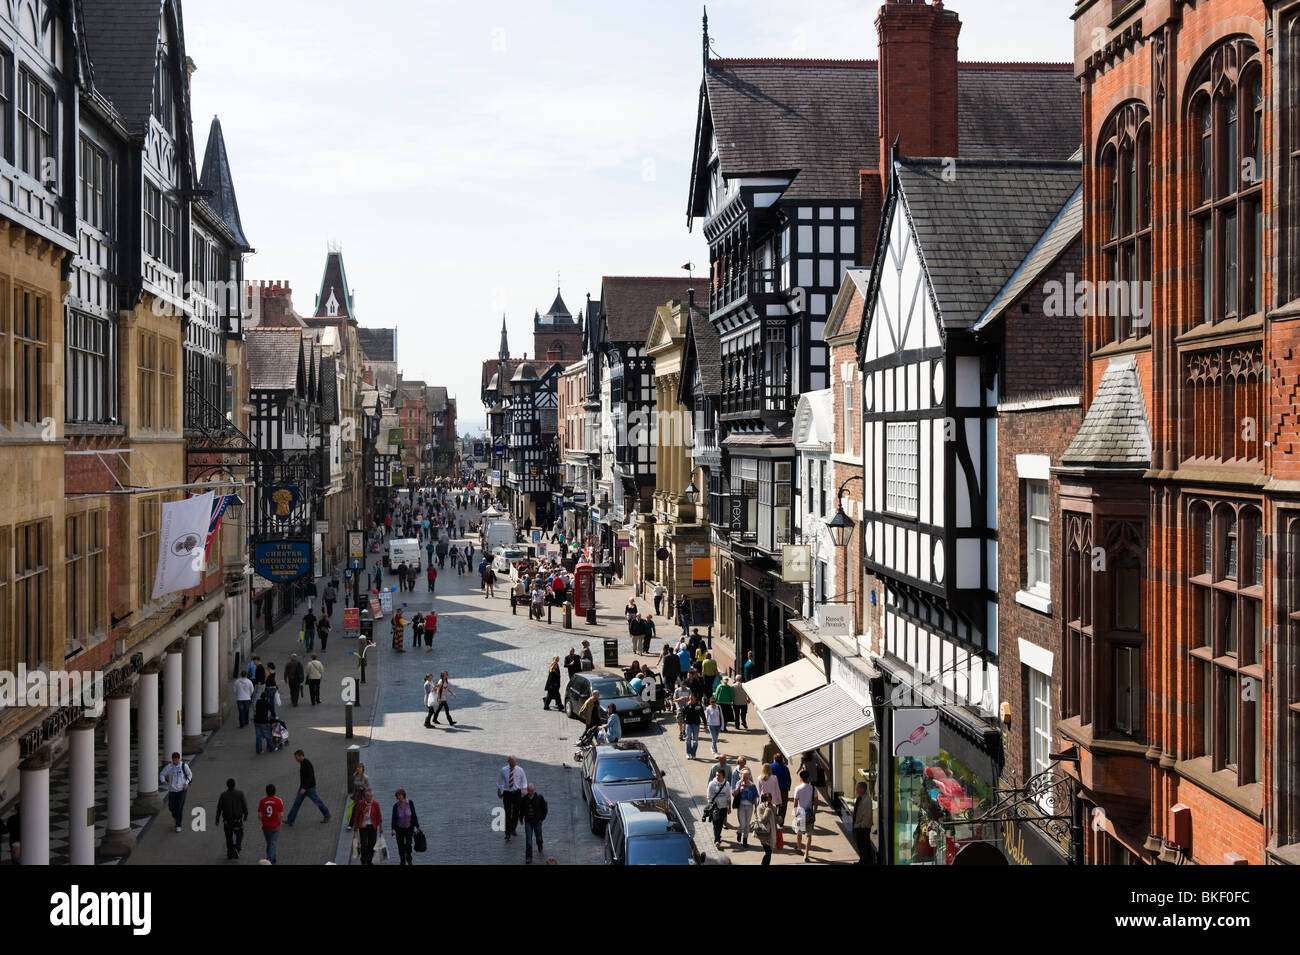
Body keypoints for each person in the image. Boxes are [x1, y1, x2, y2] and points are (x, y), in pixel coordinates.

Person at [285, 750, 331, 826]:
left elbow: (309, 778)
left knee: (318, 802)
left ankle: (327, 815)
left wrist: (304, 788)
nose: (296, 759)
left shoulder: (307, 764)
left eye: (296, 758)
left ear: (301, 756)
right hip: (304, 787)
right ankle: (290, 820)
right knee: (297, 803)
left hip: (309, 788)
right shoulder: (302, 763)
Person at [215, 778, 248, 860]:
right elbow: (244, 806)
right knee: (239, 834)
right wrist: (245, 816)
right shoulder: (240, 794)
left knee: (229, 837)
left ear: (227, 785)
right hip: (237, 820)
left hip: (227, 821)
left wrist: (217, 819)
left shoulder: (223, 795)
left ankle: (230, 853)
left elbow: (219, 808)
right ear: (234, 784)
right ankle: (237, 847)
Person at [497, 756, 528, 842]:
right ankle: (507, 833)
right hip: (507, 793)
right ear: (508, 761)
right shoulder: (503, 770)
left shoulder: (520, 770)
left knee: (516, 811)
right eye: (511, 762)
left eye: (514, 762)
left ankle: (513, 828)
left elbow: (524, 781)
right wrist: (499, 791)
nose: (512, 764)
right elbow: (500, 781)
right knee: (507, 812)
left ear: (516, 762)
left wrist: (524, 790)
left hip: (517, 793)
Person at [159, 752, 191, 832]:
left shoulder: (184, 766)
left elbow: (190, 775)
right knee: (171, 806)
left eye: (176, 760)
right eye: (173, 760)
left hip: (181, 790)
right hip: (172, 790)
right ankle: (176, 817)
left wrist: (186, 783)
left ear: (179, 759)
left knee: (179, 807)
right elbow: (162, 774)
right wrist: (163, 781)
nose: (175, 762)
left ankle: (178, 825)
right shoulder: (169, 767)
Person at [793, 768, 819, 862]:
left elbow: (795, 803)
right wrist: (814, 812)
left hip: (800, 813)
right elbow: (816, 802)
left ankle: (799, 848)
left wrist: (795, 814)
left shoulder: (798, 789)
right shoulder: (813, 789)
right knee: (809, 835)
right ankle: (806, 854)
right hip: (809, 814)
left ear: (801, 778)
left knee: (799, 833)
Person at [391, 789, 421, 866]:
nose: (399, 797)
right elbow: (394, 818)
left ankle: (409, 858)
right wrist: (393, 829)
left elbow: (414, 815)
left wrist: (417, 826)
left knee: (408, 844)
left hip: (409, 827)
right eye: (398, 796)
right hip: (399, 828)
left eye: (400, 795)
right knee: (400, 846)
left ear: (403, 795)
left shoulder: (410, 803)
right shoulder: (395, 806)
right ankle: (402, 861)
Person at [352, 791, 382, 865]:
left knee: (372, 843)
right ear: (365, 797)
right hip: (363, 826)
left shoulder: (375, 804)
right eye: (368, 797)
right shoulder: (361, 804)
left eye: (370, 797)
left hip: (372, 826)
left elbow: (379, 816)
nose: (369, 798)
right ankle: (363, 859)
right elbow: (357, 815)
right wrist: (356, 825)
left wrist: (380, 827)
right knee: (364, 843)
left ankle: (370, 859)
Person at [521, 783, 547, 864]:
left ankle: (540, 844)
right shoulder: (524, 798)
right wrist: (521, 818)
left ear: (534, 790)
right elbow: (522, 809)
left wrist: (542, 818)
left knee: (538, 836)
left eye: (532, 791)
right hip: (528, 821)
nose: (530, 793)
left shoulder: (539, 797)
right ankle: (529, 857)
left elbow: (544, 809)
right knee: (528, 840)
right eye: (529, 791)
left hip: (537, 821)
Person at [259, 784, 285, 865]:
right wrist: (280, 822)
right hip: (275, 826)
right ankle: (269, 859)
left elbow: (259, 815)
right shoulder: (278, 801)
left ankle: (272, 857)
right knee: (272, 842)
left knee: (269, 842)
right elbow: (281, 814)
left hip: (266, 826)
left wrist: (263, 821)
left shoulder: (262, 801)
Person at [706, 768, 732, 849]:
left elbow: (728, 796)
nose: (717, 777)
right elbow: (709, 796)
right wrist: (710, 805)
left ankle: (717, 837)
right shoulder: (712, 784)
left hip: (723, 807)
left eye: (719, 775)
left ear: (723, 776)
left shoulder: (726, 784)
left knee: (720, 823)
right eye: (716, 775)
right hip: (715, 806)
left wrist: (729, 807)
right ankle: (717, 840)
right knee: (716, 822)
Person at [852, 780, 876, 865]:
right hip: (858, 826)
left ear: (863, 789)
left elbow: (867, 815)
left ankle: (866, 862)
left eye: (858, 788)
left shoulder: (867, 800)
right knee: (860, 846)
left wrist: (862, 826)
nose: (856, 789)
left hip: (863, 828)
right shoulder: (859, 798)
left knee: (864, 846)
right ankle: (862, 861)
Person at [751, 793, 778, 864]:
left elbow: (775, 819)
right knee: (768, 852)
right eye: (767, 800)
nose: (769, 801)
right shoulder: (760, 807)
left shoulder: (773, 807)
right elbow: (762, 820)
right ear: (764, 800)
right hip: (763, 834)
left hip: (772, 833)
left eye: (770, 800)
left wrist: (779, 819)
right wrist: (767, 809)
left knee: (769, 852)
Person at [734, 768, 759, 846]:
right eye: (744, 776)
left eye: (747, 776)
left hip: (749, 807)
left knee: (747, 824)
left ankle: (745, 840)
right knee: (742, 824)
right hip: (741, 806)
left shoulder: (752, 785)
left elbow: (755, 797)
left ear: (750, 776)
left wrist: (756, 807)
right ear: (741, 776)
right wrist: (740, 784)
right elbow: (734, 793)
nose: (746, 778)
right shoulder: (739, 783)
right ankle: (739, 831)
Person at [682, 694, 704, 758]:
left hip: (696, 724)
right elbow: (684, 713)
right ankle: (688, 753)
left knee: (695, 740)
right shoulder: (687, 705)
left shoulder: (699, 705)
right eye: (690, 698)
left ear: (695, 698)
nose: (691, 700)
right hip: (688, 724)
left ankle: (693, 753)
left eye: (692, 698)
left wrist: (705, 723)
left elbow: (702, 714)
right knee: (688, 738)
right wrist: (688, 705)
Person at [253, 690, 274, 755]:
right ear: (266, 697)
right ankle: (271, 747)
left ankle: (259, 750)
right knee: (267, 735)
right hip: (264, 721)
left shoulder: (258, 702)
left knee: (258, 736)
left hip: (256, 721)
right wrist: (275, 716)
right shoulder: (267, 702)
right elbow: (272, 711)